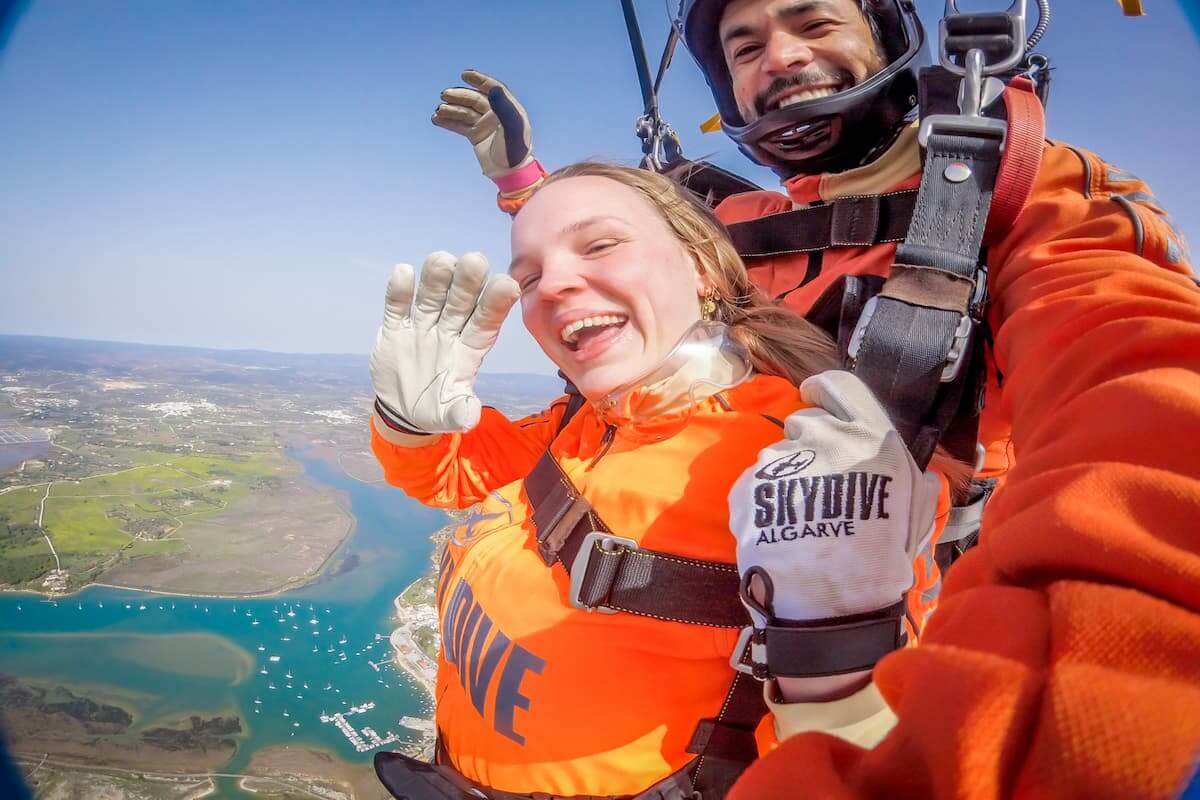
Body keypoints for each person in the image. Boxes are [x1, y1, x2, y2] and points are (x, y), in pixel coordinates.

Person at [433, 2, 1200, 798]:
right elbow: (608, 252)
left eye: (816, 23)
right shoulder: (741, 221)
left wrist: (1116, 691)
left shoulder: (1024, 201)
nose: (783, 59)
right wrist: (524, 182)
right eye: (747, 46)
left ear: (890, 38)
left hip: (852, 670)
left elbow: (1139, 388)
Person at [368, 162, 963, 799]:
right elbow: (451, 476)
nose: (554, 287)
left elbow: (890, 767)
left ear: (702, 266)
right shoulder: (588, 422)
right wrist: (407, 423)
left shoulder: (801, 466)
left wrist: (840, 678)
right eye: (530, 277)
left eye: (600, 245)